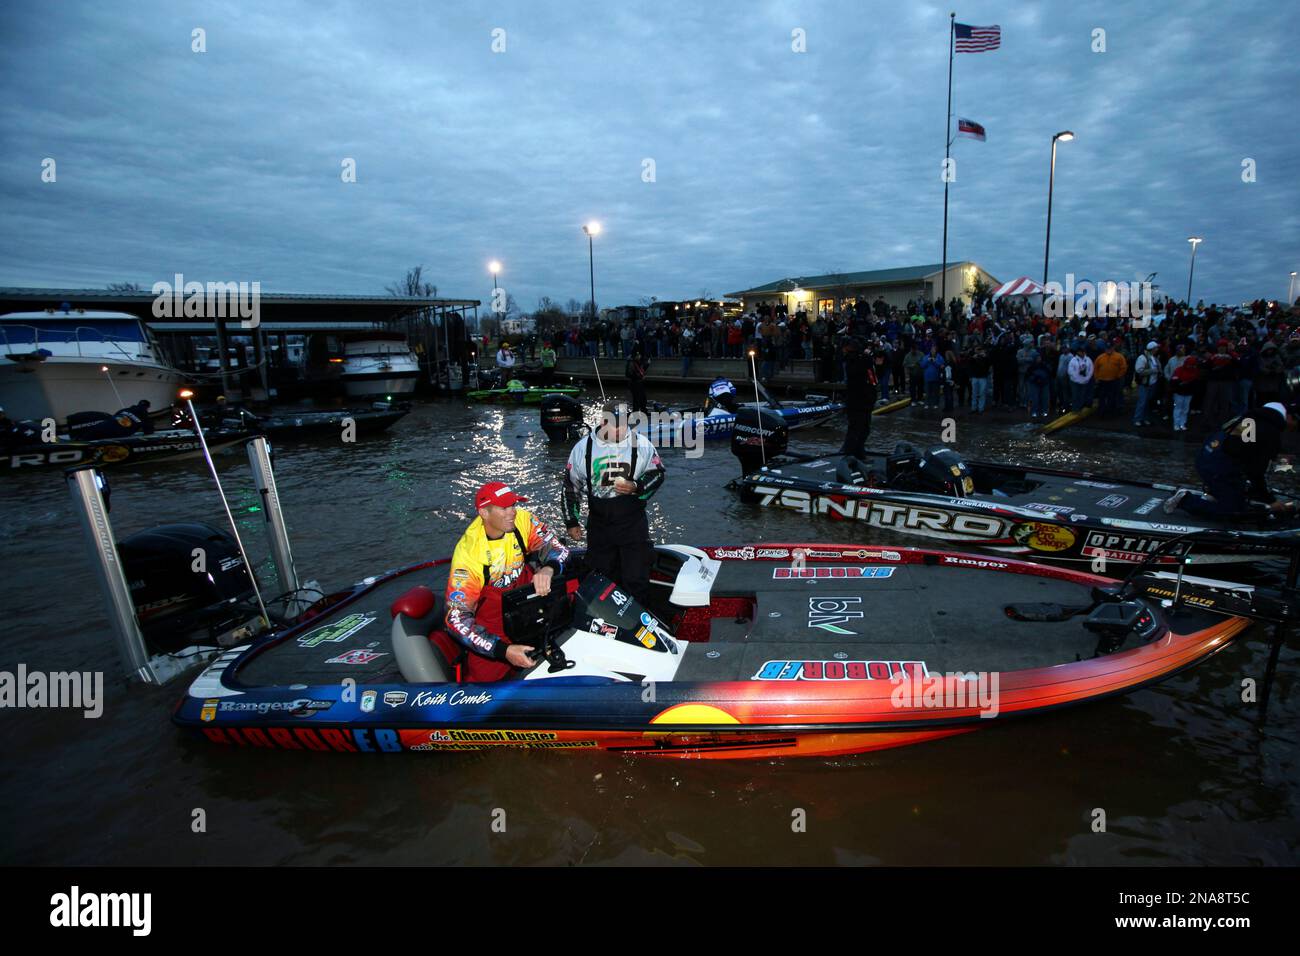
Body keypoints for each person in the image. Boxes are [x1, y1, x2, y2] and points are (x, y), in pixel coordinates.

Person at [444, 481, 571, 682]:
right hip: (493, 622)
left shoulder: (523, 519)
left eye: (513, 504)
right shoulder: (468, 556)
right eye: (504, 507)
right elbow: (456, 619)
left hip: (528, 601)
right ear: (484, 513)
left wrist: (549, 568)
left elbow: (559, 548)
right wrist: (503, 651)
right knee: (483, 683)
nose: (512, 512)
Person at [563, 401, 665, 604]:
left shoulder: (642, 445)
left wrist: (636, 486)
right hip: (599, 524)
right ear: (603, 421)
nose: (620, 429)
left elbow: (658, 475)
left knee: (636, 578)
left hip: (632, 523)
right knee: (600, 577)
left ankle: (638, 624)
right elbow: (571, 486)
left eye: (624, 424)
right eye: (614, 424)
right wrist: (572, 521)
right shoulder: (583, 448)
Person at [1164, 402, 1299, 518]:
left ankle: (1214, 493)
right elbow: (1256, 470)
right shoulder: (1270, 431)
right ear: (1290, 417)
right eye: (1296, 425)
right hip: (1218, 467)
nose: (1293, 429)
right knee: (1233, 511)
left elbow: (1239, 447)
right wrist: (1270, 501)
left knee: (1240, 497)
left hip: (1206, 456)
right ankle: (1185, 500)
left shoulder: (1254, 416)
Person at [837, 337, 878, 459]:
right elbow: (869, 379)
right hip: (860, 400)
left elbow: (871, 379)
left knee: (861, 429)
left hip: (861, 400)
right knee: (858, 429)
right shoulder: (855, 360)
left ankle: (856, 453)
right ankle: (852, 454)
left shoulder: (858, 359)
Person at [1132, 341, 1162, 427]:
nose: (1157, 349)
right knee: (1142, 402)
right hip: (1145, 384)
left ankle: (1145, 418)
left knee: (1148, 403)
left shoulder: (1154, 357)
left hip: (1152, 384)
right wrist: (1153, 371)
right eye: (1156, 348)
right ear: (1152, 349)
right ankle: (1137, 419)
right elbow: (1139, 370)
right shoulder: (1142, 358)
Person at [1067, 343, 1094, 412]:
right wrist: (1077, 379)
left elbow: (1091, 369)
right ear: (1078, 352)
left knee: (1082, 395)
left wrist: (1087, 378)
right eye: (1080, 351)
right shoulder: (1073, 360)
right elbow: (1070, 371)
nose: (1082, 353)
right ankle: (1075, 409)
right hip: (1075, 382)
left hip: (1085, 381)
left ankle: (1080, 408)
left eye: (1083, 351)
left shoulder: (1088, 359)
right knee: (1075, 396)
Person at [625, 347, 649, 414]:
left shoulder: (637, 362)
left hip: (639, 383)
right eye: (638, 355)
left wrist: (647, 365)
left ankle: (643, 411)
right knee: (637, 399)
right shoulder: (631, 363)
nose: (640, 356)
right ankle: (636, 413)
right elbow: (628, 374)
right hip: (634, 383)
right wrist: (638, 377)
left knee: (643, 398)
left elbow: (641, 370)